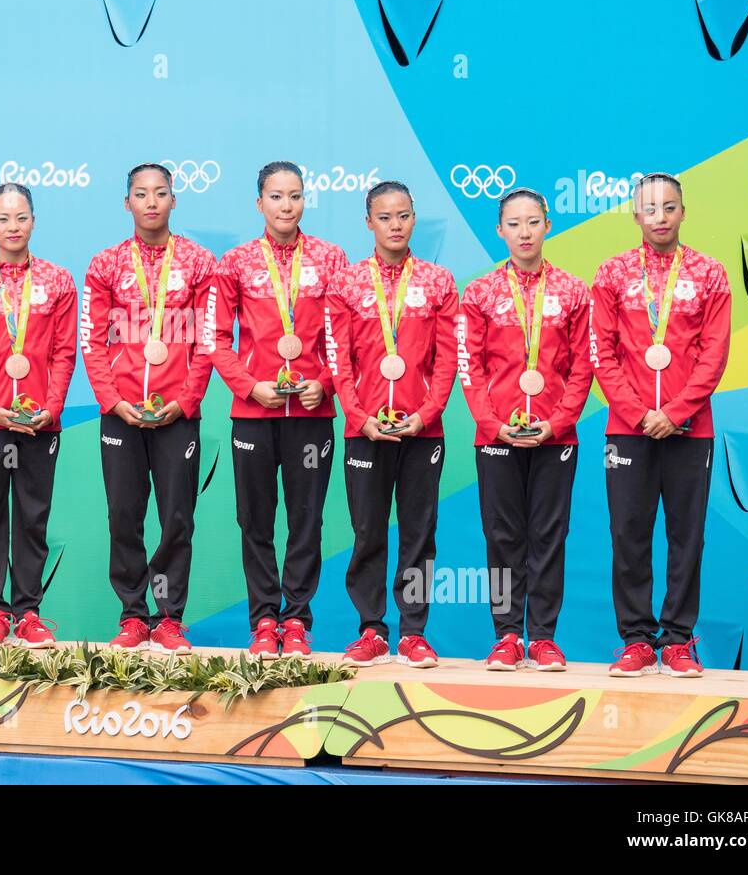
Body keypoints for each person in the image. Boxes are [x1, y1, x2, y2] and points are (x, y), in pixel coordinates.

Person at [208, 161, 348, 660]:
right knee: (256, 519)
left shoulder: (332, 259)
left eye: (294, 196)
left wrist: (326, 383)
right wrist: (250, 388)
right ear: (259, 203)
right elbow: (217, 340)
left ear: (305, 200)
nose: (286, 205)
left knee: (307, 520)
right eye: (276, 196)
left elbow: (346, 338)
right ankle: (265, 619)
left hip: (312, 414)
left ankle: (297, 621)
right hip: (254, 414)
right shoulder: (236, 263)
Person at [593, 173, 730, 678]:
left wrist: (673, 413)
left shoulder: (710, 273)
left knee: (685, 535)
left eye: (669, 208)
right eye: (650, 210)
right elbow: (601, 353)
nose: (660, 217)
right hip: (627, 428)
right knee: (628, 533)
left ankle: (676, 640)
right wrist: (637, 413)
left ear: (683, 211)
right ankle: (636, 640)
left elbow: (714, 354)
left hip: (691, 428)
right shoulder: (611, 274)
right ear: (636, 216)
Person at [80, 163, 216, 655]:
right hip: (121, 414)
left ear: (174, 201)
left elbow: (207, 341)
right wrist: (114, 401)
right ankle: (134, 616)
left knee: (177, 516)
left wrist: (185, 402)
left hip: (177, 415)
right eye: (141, 193)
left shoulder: (200, 263)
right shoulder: (105, 264)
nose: (152, 202)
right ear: (127, 203)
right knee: (124, 515)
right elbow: (92, 343)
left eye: (161, 193)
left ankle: (169, 617)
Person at [457, 188, 594, 672]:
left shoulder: (574, 292)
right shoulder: (479, 293)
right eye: (513, 224)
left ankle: (543, 637)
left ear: (548, 225)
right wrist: (493, 425)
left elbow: (583, 368)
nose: (524, 232)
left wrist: (558, 423)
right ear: (500, 231)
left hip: (556, 438)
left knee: (549, 535)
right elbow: (469, 366)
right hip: (497, 438)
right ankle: (507, 635)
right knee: (502, 536)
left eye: (532, 222)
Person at [328, 181, 458, 670]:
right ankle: (371, 629)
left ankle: (414, 633)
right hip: (365, 431)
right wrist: (360, 419)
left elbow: (447, 361)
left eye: (403, 215)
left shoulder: (440, 282)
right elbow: (338, 360)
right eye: (385, 217)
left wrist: (425, 416)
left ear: (414, 218)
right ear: (369, 222)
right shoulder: (346, 283)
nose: (396, 225)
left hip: (423, 432)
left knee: (420, 532)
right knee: (367, 532)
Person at [0, 183, 77, 648]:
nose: (13, 227)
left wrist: (52, 408)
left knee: (32, 519)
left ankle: (28, 611)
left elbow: (65, 354)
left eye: (21, 217)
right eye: (3, 219)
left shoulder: (59, 281)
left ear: (34, 221)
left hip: (40, 423)